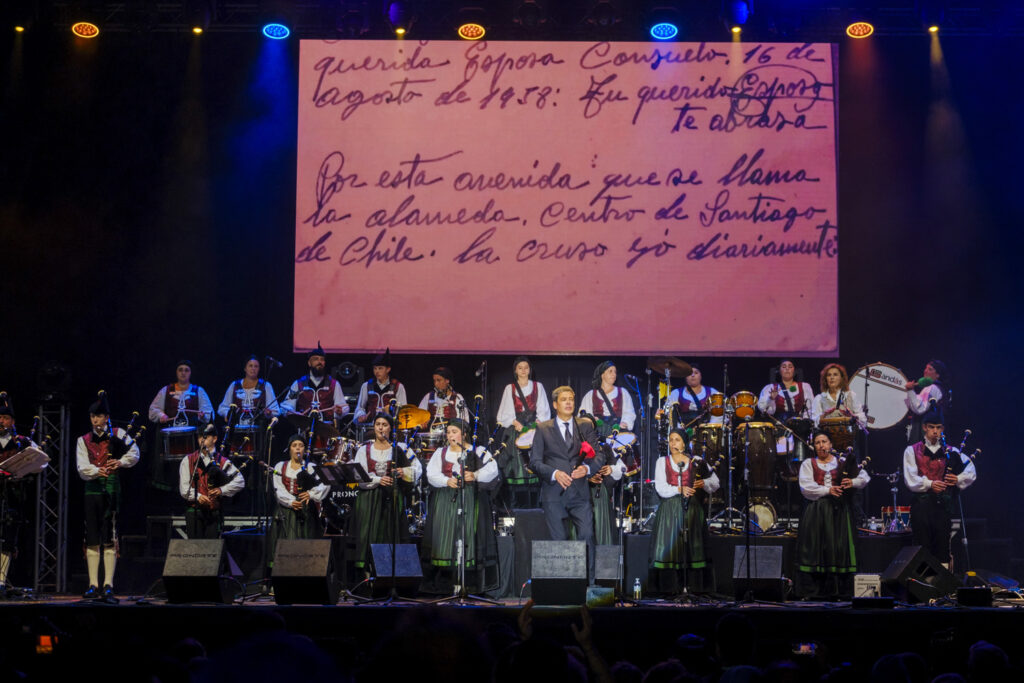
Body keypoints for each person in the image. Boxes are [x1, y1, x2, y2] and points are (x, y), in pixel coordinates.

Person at [530, 386, 603, 579]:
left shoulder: (584, 426)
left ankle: (589, 585)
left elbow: (600, 455)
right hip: (554, 493)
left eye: (571, 399)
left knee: (587, 536)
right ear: (555, 404)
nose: (569, 402)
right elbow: (534, 461)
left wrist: (586, 470)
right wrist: (554, 473)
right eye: (564, 399)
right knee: (559, 541)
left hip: (579, 494)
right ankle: (562, 587)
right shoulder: (543, 428)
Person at [75, 392, 140, 600]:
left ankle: (108, 584)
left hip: (112, 488)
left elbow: (135, 452)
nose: (95, 420)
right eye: (92, 416)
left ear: (106, 417)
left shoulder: (119, 433)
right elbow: (81, 467)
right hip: (92, 490)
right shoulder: (83, 440)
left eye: (99, 416)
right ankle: (93, 584)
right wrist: (96, 471)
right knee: (92, 536)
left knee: (110, 537)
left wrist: (120, 462)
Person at [424, 419, 499, 592]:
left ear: (464, 433)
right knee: (445, 539)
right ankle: (446, 585)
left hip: (471, 500)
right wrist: (446, 480)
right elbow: (431, 474)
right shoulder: (440, 453)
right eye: (448, 432)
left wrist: (475, 474)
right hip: (445, 502)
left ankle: (468, 584)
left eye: (454, 431)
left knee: (468, 537)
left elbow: (492, 470)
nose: (450, 435)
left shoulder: (477, 451)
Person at [796, 430, 869, 599]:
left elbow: (864, 477)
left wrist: (852, 482)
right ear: (814, 447)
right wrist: (827, 489)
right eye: (817, 443)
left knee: (839, 547)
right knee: (817, 547)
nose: (821, 445)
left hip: (839, 512)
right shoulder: (809, 463)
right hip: (818, 511)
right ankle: (815, 590)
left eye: (824, 441)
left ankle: (840, 590)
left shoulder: (841, 461)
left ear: (831, 444)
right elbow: (805, 487)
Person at [903, 408, 976, 568]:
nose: (935, 431)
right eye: (931, 427)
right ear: (924, 427)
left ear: (942, 429)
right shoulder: (912, 450)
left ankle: (941, 588)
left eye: (938, 428)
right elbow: (910, 479)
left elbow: (970, 470)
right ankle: (923, 586)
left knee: (942, 547)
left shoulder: (951, 451)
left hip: (943, 506)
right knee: (922, 547)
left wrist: (958, 478)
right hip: (921, 506)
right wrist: (930, 484)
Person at [649, 428, 720, 592]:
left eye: (677, 440)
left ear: (684, 442)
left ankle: (694, 588)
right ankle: (669, 589)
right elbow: (660, 487)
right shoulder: (662, 461)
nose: (673, 443)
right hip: (670, 511)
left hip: (692, 511)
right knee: (671, 548)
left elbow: (715, 482)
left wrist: (704, 483)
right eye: (671, 440)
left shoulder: (696, 461)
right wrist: (679, 489)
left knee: (691, 547)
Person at [350, 414, 421, 571]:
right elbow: (357, 475)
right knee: (368, 534)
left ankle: (389, 572)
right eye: (377, 424)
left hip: (392, 496)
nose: (380, 427)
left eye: (384, 424)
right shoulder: (364, 449)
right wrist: (377, 480)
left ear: (391, 428)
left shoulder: (401, 448)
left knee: (390, 533)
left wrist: (404, 471)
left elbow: (417, 469)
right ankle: (368, 575)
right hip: (369, 498)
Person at [147, 360, 214, 490]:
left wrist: (202, 416)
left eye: (186, 370)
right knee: (172, 469)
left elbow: (209, 412)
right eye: (180, 370)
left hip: (191, 440)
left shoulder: (198, 391)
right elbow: (153, 410)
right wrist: (162, 416)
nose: (183, 373)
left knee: (190, 467)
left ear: (191, 373)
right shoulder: (166, 390)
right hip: (171, 441)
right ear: (176, 372)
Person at [494, 357, 550, 504]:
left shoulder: (538, 386)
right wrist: (514, 422)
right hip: (515, 432)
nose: (524, 370)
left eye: (526, 367)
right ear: (515, 371)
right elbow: (503, 414)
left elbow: (544, 411)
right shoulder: (509, 388)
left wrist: (537, 423)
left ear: (530, 370)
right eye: (520, 368)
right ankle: (514, 505)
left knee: (534, 465)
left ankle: (535, 504)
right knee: (515, 467)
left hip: (534, 431)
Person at [0, 394, 40, 596]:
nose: (1, 421)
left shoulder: (21, 441)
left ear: (12, 421)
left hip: (12, 495)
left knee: (8, 538)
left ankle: (1, 580)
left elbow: (41, 463)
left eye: (5, 418)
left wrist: (26, 467)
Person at [179, 424, 244, 539]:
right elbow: (184, 488)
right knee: (193, 550)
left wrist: (221, 490)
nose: (202, 440)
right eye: (200, 437)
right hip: (193, 511)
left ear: (214, 439)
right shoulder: (188, 460)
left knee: (212, 550)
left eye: (205, 437)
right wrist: (198, 496)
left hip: (213, 512)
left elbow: (240, 481)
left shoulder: (223, 461)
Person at [270, 435, 330, 547]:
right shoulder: (280, 466)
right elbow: (278, 488)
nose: (298, 448)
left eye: (301, 446)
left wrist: (310, 494)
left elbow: (326, 483)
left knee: (306, 540)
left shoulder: (311, 466)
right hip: (285, 510)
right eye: (294, 445)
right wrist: (290, 502)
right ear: (289, 449)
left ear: (305, 450)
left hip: (306, 509)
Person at [280, 343, 349, 421]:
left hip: (326, 429)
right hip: (304, 428)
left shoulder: (334, 384)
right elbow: (287, 405)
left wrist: (340, 411)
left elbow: (343, 407)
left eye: (322, 359)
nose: (319, 362)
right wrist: (292, 413)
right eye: (316, 359)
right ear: (309, 363)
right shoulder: (299, 384)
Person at [579, 361, 635, 437]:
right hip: (597, 435)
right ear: (602, 375)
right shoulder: (590, 394)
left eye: (615, 372)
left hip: (618, 433)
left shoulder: (623, 392)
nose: (614, 374)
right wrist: (591, 420)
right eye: (610, 371)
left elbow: (629, 413)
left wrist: (625, 422)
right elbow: (583, 415)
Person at [217, 355, 279, 425]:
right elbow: (222, 408)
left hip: (258, 430)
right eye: (250, 366)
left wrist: (268, 413)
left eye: (256, 366)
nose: (253, 368)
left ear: (259, 369)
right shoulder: (234, 385)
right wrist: (230, 414)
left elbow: (275, 410)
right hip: (236, 429)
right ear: (245, 368)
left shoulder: (266, 386)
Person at [353, 348, 408, 425]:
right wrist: (361, 415)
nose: (377, 371)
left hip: (391, 427)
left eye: (380, 368)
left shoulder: (398, 386)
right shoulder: (367, 386)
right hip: (371, 426)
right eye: (375, 368)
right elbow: (360, 407)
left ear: (388, 369)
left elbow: (403, 409)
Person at [809, 363, 867, 430]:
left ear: (841, 378)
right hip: (827, 437)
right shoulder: (819, 398)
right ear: (825, 379)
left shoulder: (851, 395)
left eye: (835, 375)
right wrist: (824, 414)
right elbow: (813, 423)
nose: (832, 377)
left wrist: (851, 416)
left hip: (848, 436)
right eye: (829, 375)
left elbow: (863, 420)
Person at [904, 360, 949, 443]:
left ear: (937, 375)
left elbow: (919, 409)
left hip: (924, 435)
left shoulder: (932, 387)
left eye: (930, 369)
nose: (925, 371)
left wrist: (910, 391)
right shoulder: (934, 388)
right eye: (926, 368)